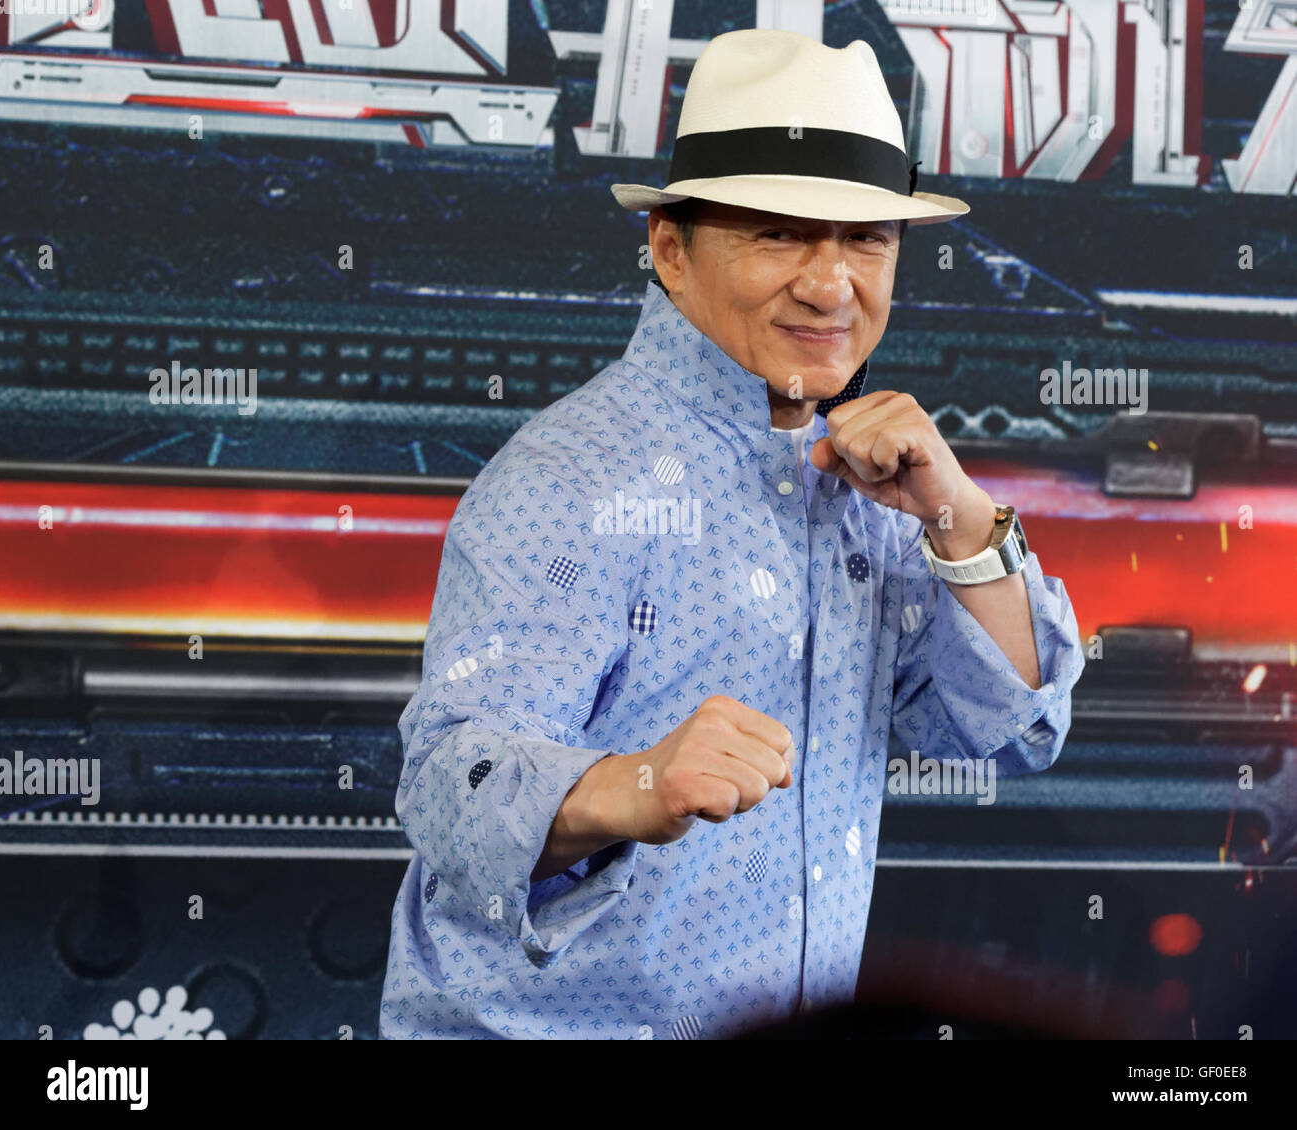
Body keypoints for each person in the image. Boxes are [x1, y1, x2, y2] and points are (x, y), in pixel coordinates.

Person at [380, 28, 1084, 1040]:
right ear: (671, 248)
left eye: (866, 239)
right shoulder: (570, 477)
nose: (832, 284)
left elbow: (1008, 732)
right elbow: (447, 789)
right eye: (781, 234)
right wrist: (639, 782)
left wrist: (961, 520)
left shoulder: (874, 480)